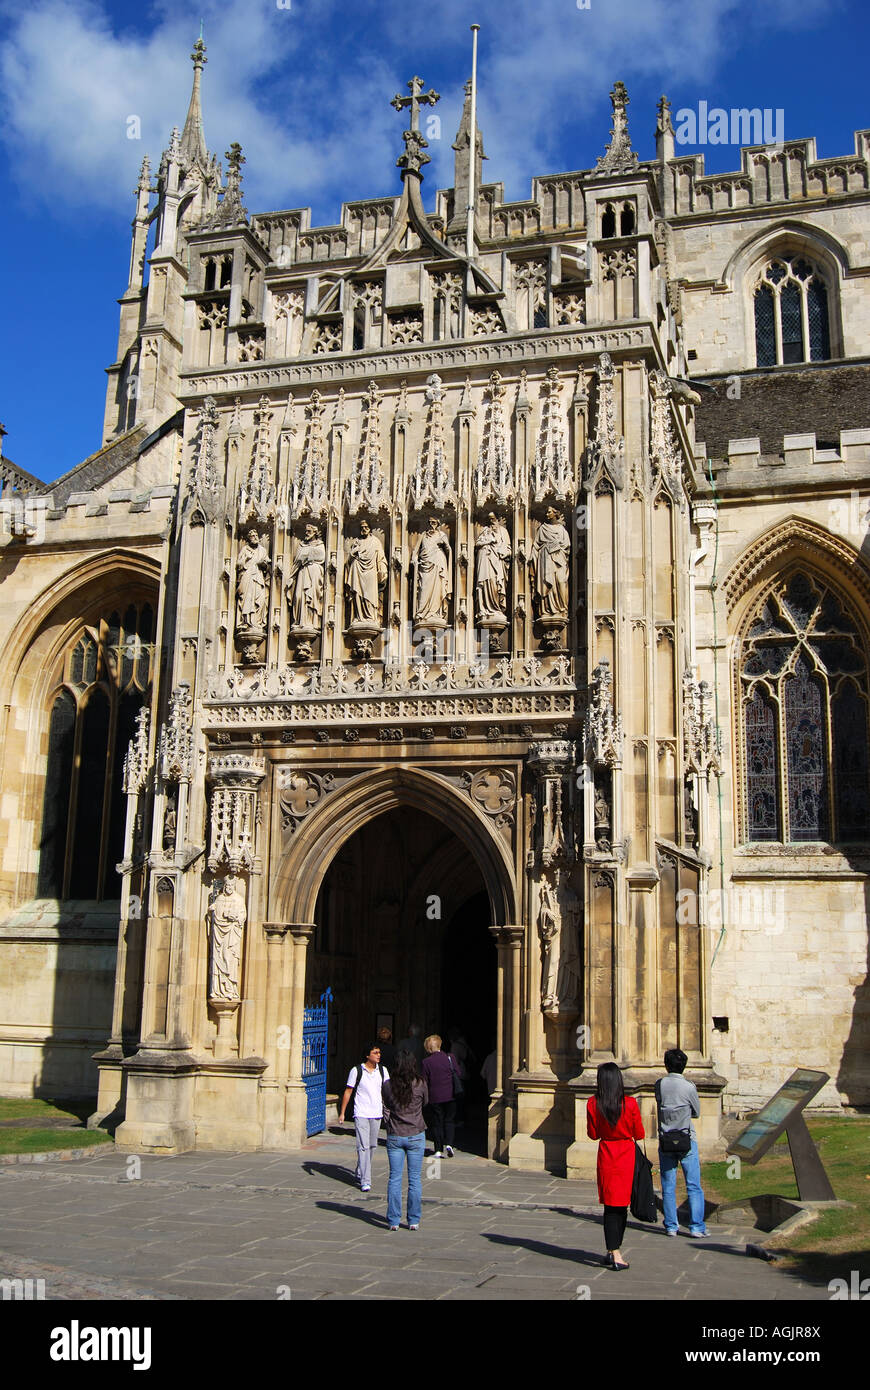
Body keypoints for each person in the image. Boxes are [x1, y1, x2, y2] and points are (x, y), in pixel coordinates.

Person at [586, 1061, 645, 1270]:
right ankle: (616, 1252)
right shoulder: (629, 1104)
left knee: (611, 1206)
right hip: (626, 1156)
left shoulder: (593, 1104)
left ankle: (612, 1250)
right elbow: (639, 1133)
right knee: (620, 1207)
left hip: (606, 1155)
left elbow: (592, 1134)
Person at [655, 1047, 707, 1238]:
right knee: (693, 1185)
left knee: (668, 1186)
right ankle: (696, 1227)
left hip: (666, 1139)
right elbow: (696, 1111)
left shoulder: (659, 1084)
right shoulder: (689, 1086)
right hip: (686, 1138)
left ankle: (671, 1226)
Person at [382, 1049, 429, 1231]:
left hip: (395, 1134)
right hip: (416, 1133)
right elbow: (426, 1102)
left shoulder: (387, 1085)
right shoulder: (420, 1083)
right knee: (415, 1179)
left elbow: (386, 1103)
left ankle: (393, 1220)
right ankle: (414, 1219)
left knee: (394, 1178)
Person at [338, 1044, 388, 1193]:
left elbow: (387, 1091)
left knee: (372, 1145)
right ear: (368, 1055)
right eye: (375, 1052)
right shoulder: (357, 1071)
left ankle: (361, 1168)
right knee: (363, 1146)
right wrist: (342, 1113)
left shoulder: (383, 1071)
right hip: (361, 1113)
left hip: (376, 1112)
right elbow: (348, 1091)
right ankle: (366, 1180)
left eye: (379, 1052)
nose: (378, 1055)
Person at [422, 1034, 459, 1158]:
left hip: (435, 1097)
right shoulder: (450, 1057)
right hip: (450, 1095)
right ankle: (449, 1143)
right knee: (449, 1120)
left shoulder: (426, 1062)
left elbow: (424, 1080)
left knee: (437, 1122)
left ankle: (438, 1149)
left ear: (428, 1048)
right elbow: (458, 1073)